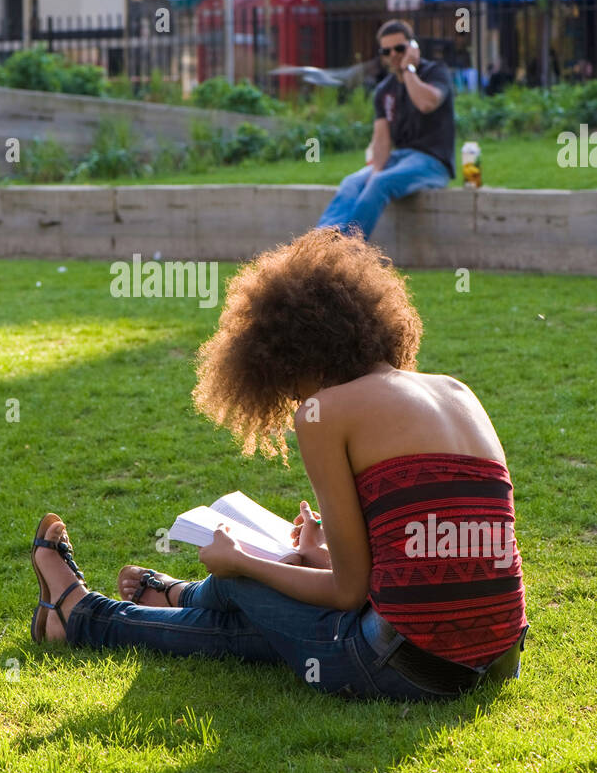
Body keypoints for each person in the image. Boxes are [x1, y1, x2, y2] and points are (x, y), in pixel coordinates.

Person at [28, 231, 528, 701]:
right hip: (499, 658)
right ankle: (97, 611)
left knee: (243, 585)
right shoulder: (457, 391)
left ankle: (105, 608)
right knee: (250, 626)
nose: (292, 399)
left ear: (292, 355)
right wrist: (318, 554)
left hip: (403, 664)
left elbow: (350, 592)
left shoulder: (325, 412)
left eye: (287, 385)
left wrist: (243, 563)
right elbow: (427, 556)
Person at [316, 19, 454, 239]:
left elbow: (426, 103)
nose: (393, 55)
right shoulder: (384, 90)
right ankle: (317, 247)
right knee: (353, 182)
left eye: (399, 48)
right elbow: (381, 139)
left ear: (412, 47)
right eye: (386, 51)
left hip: (433, 162)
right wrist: (375, 172)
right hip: (400, 158)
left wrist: (409, 69)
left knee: (381, 182)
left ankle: (346, 254)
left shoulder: (435, 72)